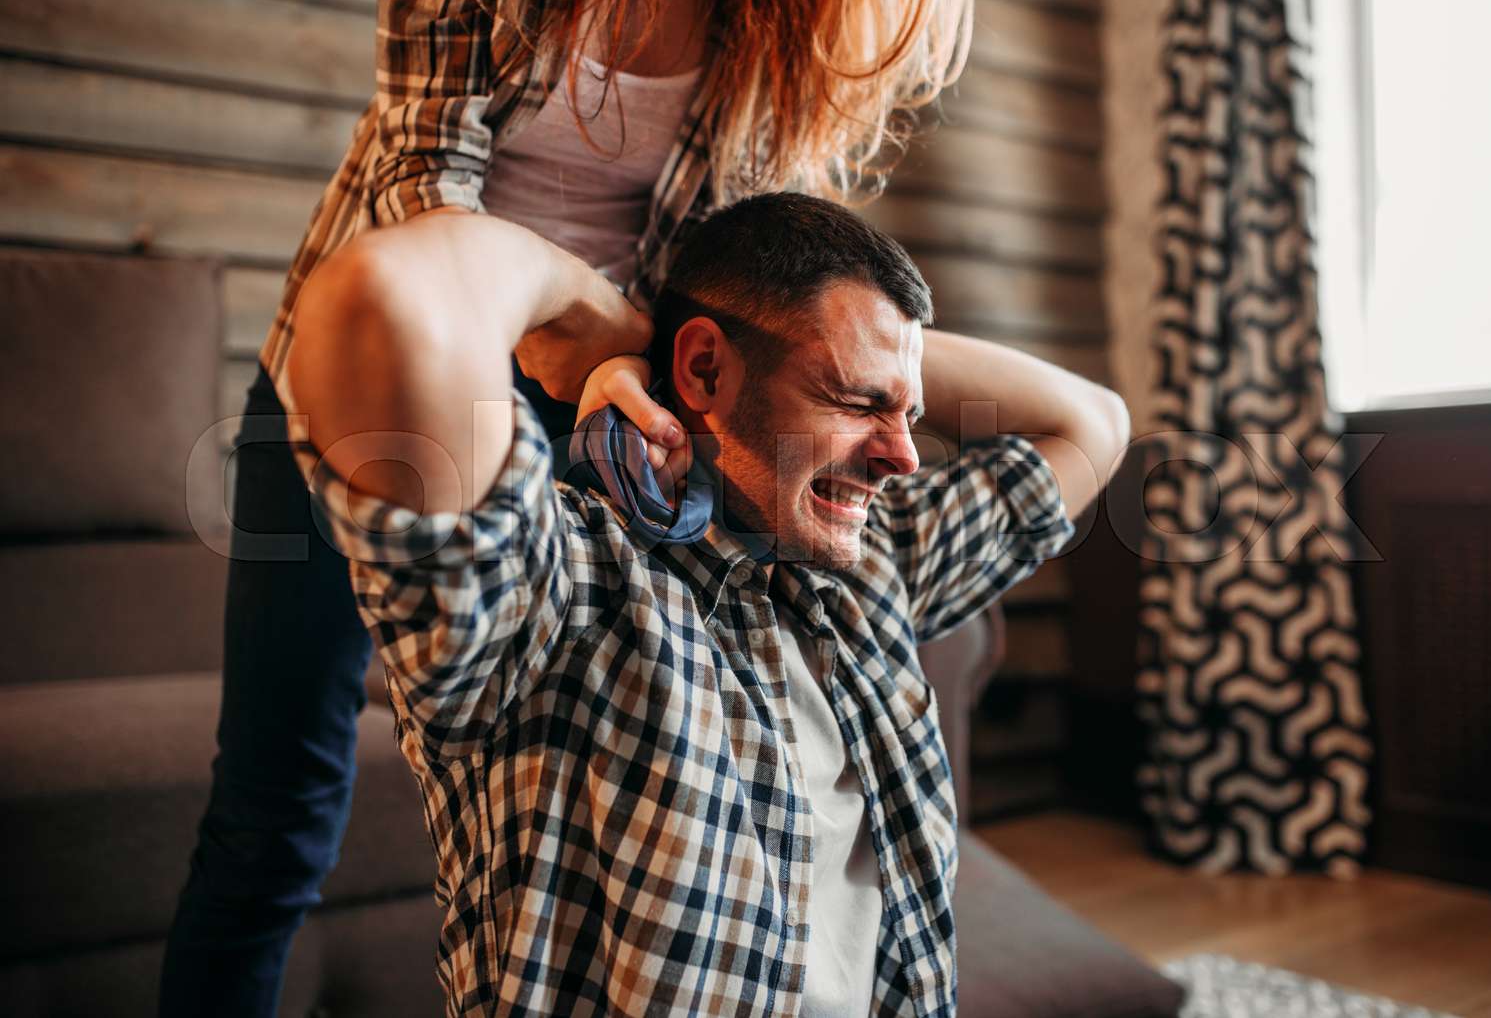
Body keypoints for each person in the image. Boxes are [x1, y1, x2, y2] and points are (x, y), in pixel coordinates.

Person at [162, 0, 982, 1013]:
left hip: (620, 387)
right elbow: (422, 181)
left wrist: (847, 374)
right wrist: (572, 308)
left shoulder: (789, 5)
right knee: (275, 804)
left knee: (571, 763)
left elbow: (730, 268)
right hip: (410, 355)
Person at [281, 192, 1129, 1016]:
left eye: (907, 413)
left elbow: (1095, 423)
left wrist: (862, 351)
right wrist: (587, 312)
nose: (904, 456)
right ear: (704, 370)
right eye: (858, 401)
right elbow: (375, 304)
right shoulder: (567, 588)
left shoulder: (871, 570)